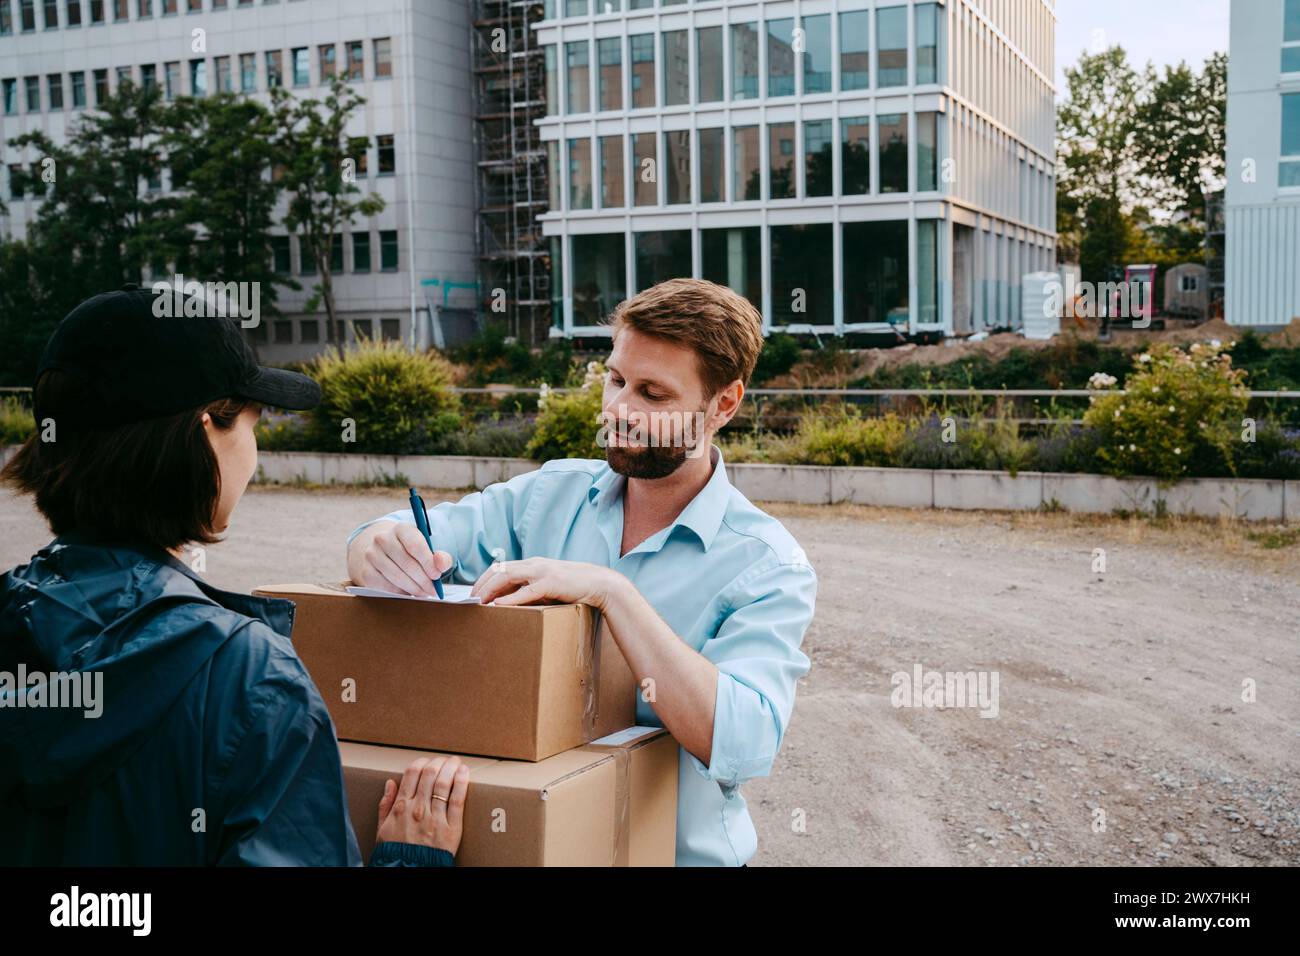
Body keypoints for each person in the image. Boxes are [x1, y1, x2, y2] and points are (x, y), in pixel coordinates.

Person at [346, 278, 817, 867]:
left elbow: (743, 744)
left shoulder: (767, 565)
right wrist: (375, 543)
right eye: (616, 380)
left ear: (723, 404)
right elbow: (406, 533)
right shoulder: (549, 493)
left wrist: (614, 594)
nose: (618, 409)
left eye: (653, 394)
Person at [0, 286, 468, 866]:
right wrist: (412, 860)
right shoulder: (251, 683)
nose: (253, 453)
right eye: (250, 424)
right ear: (204, 433)